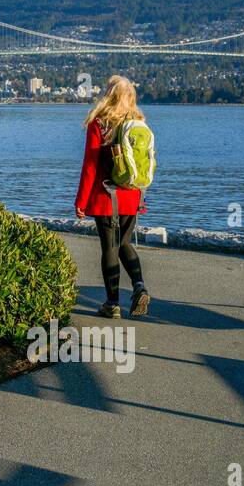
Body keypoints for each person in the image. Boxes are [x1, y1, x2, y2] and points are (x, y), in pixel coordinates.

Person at [74, 75, 150, 319]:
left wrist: (81, 201)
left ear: (109, 95)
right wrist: (141, 198)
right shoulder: (139, 122)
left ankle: (112, 304)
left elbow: (90, 166)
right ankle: (139, 285)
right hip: (132, 195)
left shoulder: (100, 123)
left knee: (110, 247)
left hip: (106, 197)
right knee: (125, 243)